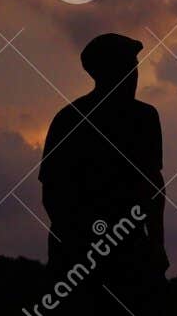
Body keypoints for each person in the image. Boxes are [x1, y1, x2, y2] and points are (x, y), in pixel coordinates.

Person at [39, 33, 169, 289]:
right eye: (128, 68)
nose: (134, 75)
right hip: (88, 253)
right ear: (106, 72)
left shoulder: (142, 117)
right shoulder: (72, 119)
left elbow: (153, 187)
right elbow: (53, 192)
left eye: (135, 68)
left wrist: (154, 245)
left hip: (121, 250)